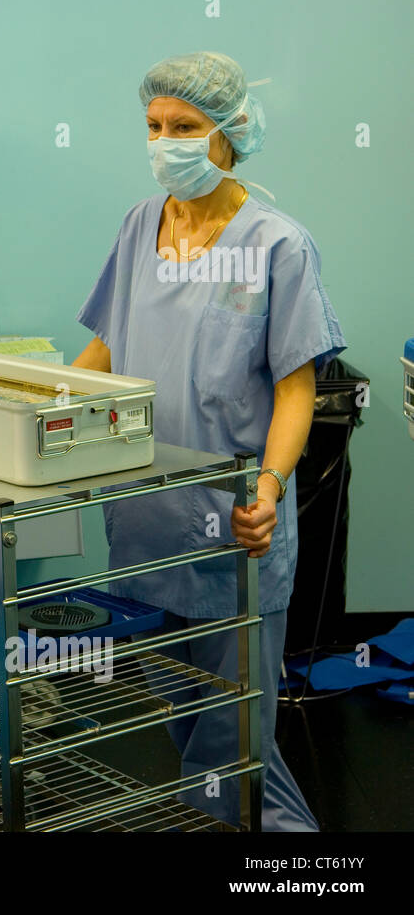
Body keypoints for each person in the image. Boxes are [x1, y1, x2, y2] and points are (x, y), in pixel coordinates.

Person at [74, 52, 345, 831]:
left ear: (230, 133)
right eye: (155, 127)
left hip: (235, 528)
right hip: (149, 520)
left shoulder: (277, 244)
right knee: (186, 720)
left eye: (185, 127)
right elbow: (104, 354)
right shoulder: (139, 225)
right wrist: (31, 423)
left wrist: (267, 490)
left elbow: (298, 387)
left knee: (236, 742)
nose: (166, 144)